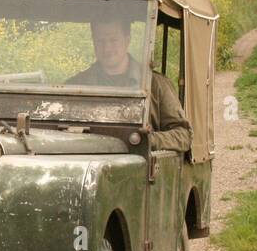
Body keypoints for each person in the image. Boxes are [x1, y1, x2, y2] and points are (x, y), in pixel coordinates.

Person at [67, 18, 191, 153]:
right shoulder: (75, 86)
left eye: (113, 40)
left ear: (127, 40)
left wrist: (150, 140)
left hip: (141, 170)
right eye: (100, 41)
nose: (107, 48)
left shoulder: (156, 84)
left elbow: (184, 135)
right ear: (94, 42)